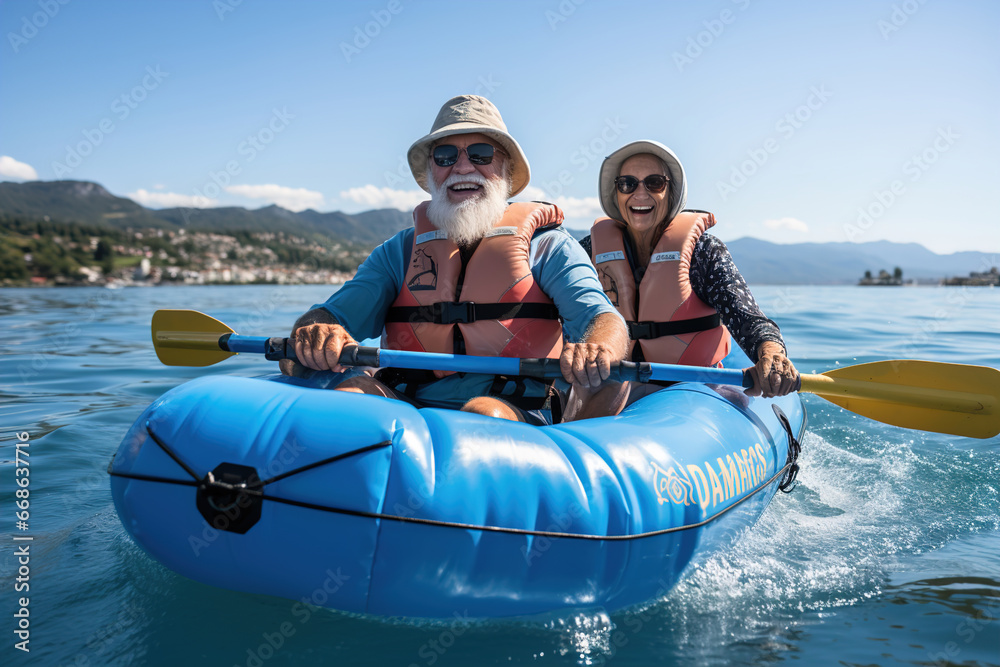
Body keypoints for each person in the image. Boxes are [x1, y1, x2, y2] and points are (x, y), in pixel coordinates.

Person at [281, 95, 629, 424]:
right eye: (445, 156)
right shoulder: (400, 251)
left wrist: (597, 346)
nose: (462, 167)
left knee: (481, 415)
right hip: (406, 402)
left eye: (480, 154)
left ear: (506, 169)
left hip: (510, 407)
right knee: (350, 397)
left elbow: (603, 318)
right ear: (432, 171)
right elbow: (329, 315)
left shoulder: (549, 247)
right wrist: (316, 330)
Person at [580, 140, 798, 403]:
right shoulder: (589, 249)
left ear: (671, 193)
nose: (639, 193)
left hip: (691, 391)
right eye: (627, 183)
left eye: (654, 183)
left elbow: (748, 318)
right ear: (616, 193)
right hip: (614, 384)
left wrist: (771, 352)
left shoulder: (703, 251)